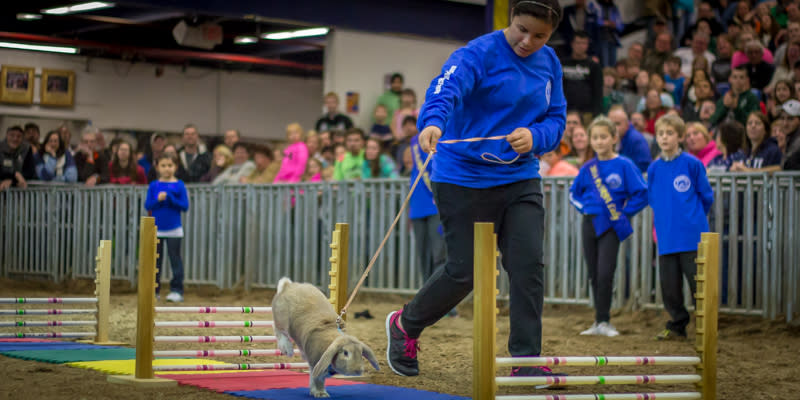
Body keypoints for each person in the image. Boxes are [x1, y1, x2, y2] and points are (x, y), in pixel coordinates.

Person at [385, 0, 567, 378]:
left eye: (540, 35)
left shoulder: (550, 63)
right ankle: (406, 325)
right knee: (465, 271)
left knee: (528, 265)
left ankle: (524, 360)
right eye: (521, 29)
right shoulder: (476, 53)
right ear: (510, 20)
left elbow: (556, 118)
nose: (527, 41)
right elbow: (445, 87)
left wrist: (536, 135)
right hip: (461, 176)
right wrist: (433, 122)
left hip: (520, 177)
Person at [569, 117, 647, 337]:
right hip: (589, 222)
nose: (599, 141)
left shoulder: (624, 165)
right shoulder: (587, 168)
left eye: (604, 137)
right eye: (595, 137)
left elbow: (642, 192)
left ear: (614, 138)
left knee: (605, 272)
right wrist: (584, 207)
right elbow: (573, 193)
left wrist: (624, 213)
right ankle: (598, 320)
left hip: (611, 225)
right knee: (594, 273)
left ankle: (605, 321)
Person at [647, 114, 713, 340]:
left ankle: (705, 328)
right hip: (666, 237)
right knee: (670, 288)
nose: (664, 138)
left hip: (691, 235)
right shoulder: (654, 168)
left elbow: (706, 197)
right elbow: (653, 198)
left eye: (669, 133)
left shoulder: (693, 164)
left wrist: (693, 220)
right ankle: (677, 325)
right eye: (661, 134)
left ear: (680, 136)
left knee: (698, 284)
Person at [145, 152, 189, 303]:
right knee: (155, 261)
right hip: (156, 229)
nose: (167, 169)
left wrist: (171, 198)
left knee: (175, 260)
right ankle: (154, 290)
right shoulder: (154, 185)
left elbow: (185, 206)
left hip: (174, 230)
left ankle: (177, 290)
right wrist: (157, 200)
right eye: (163, 165)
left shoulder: (179, 185)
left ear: (175, 167)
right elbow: (148, 205)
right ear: (157, 167)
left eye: (170, 165)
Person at [561, 30, 603, 119]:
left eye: (584, 43)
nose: (581, 46)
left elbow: (598, 91)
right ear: (572, 44)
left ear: (587, 45)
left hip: (587, 113)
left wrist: (597, 113)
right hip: (565, 111)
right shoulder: (562, 63)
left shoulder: (594, 65)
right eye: (578, 43)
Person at [608, 106, 652, 172]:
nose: (614, 127)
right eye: (610, 124)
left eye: (617, 124)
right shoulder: (607, 138)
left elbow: (644, 166)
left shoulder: (636, 139)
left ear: (627, 124)